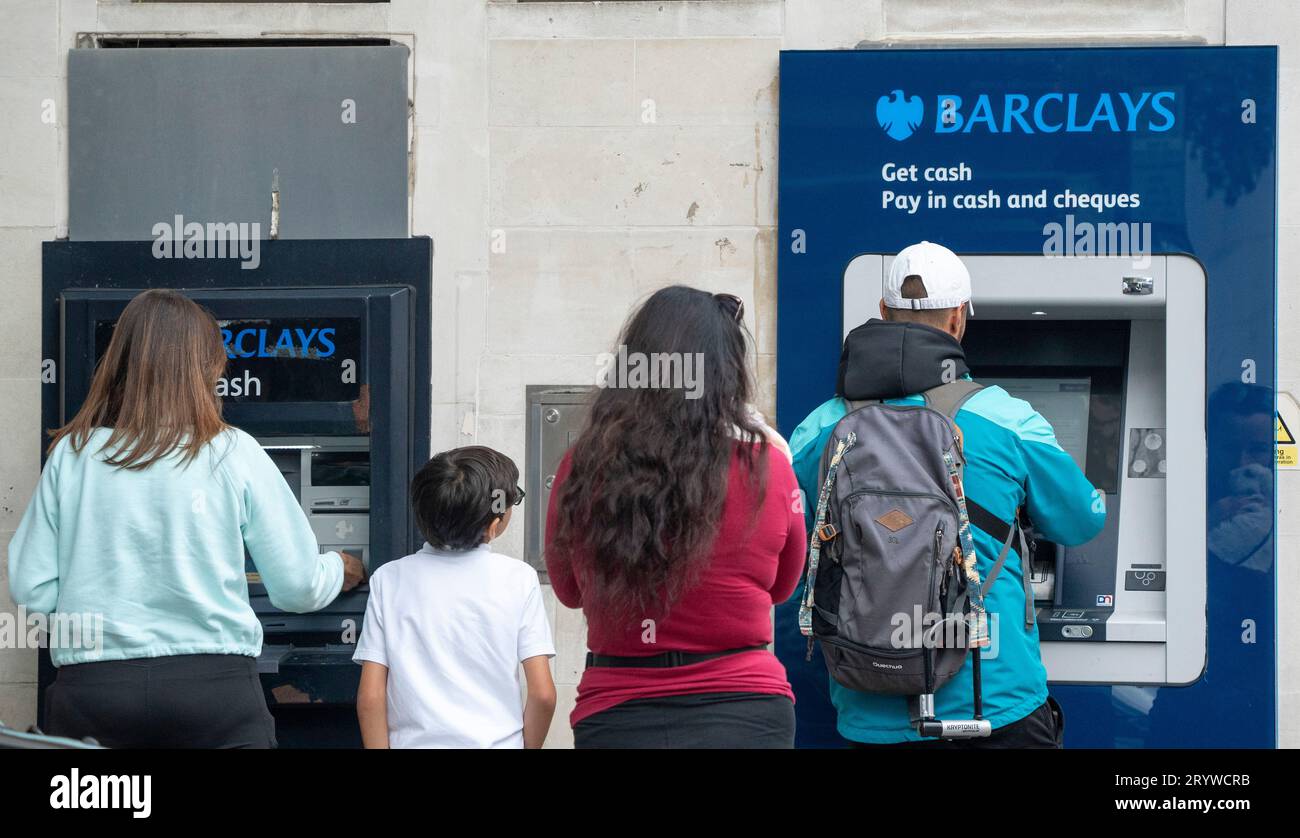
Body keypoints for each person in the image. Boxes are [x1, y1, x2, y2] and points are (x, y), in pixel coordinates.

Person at [7, 289, 365, 749]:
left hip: (94, 691)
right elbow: (296, 586)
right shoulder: (232, 451)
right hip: (214, 692)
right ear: (207, 367)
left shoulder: (72, 456)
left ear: (119, 363)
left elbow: (31, 591)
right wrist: (340, 567)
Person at [789, 241, 1106, 748]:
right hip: (994, 703)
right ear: (960, 318)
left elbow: (788, 531)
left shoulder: (823, 427)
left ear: (883, 314)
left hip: (872, 711)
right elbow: (1081, 521)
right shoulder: (1008, 419)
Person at [545, 285, 807, 749]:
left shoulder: (581, 467)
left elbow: (567, 591)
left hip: (618, 712)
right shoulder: (770, 467)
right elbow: (783, 588)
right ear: (728, 372)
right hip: (747, 712)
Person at [353, 446, 557, 748]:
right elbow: (543, 694)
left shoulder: (389, 579)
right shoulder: (518, 578)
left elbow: (370, 698)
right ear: (493, 523)